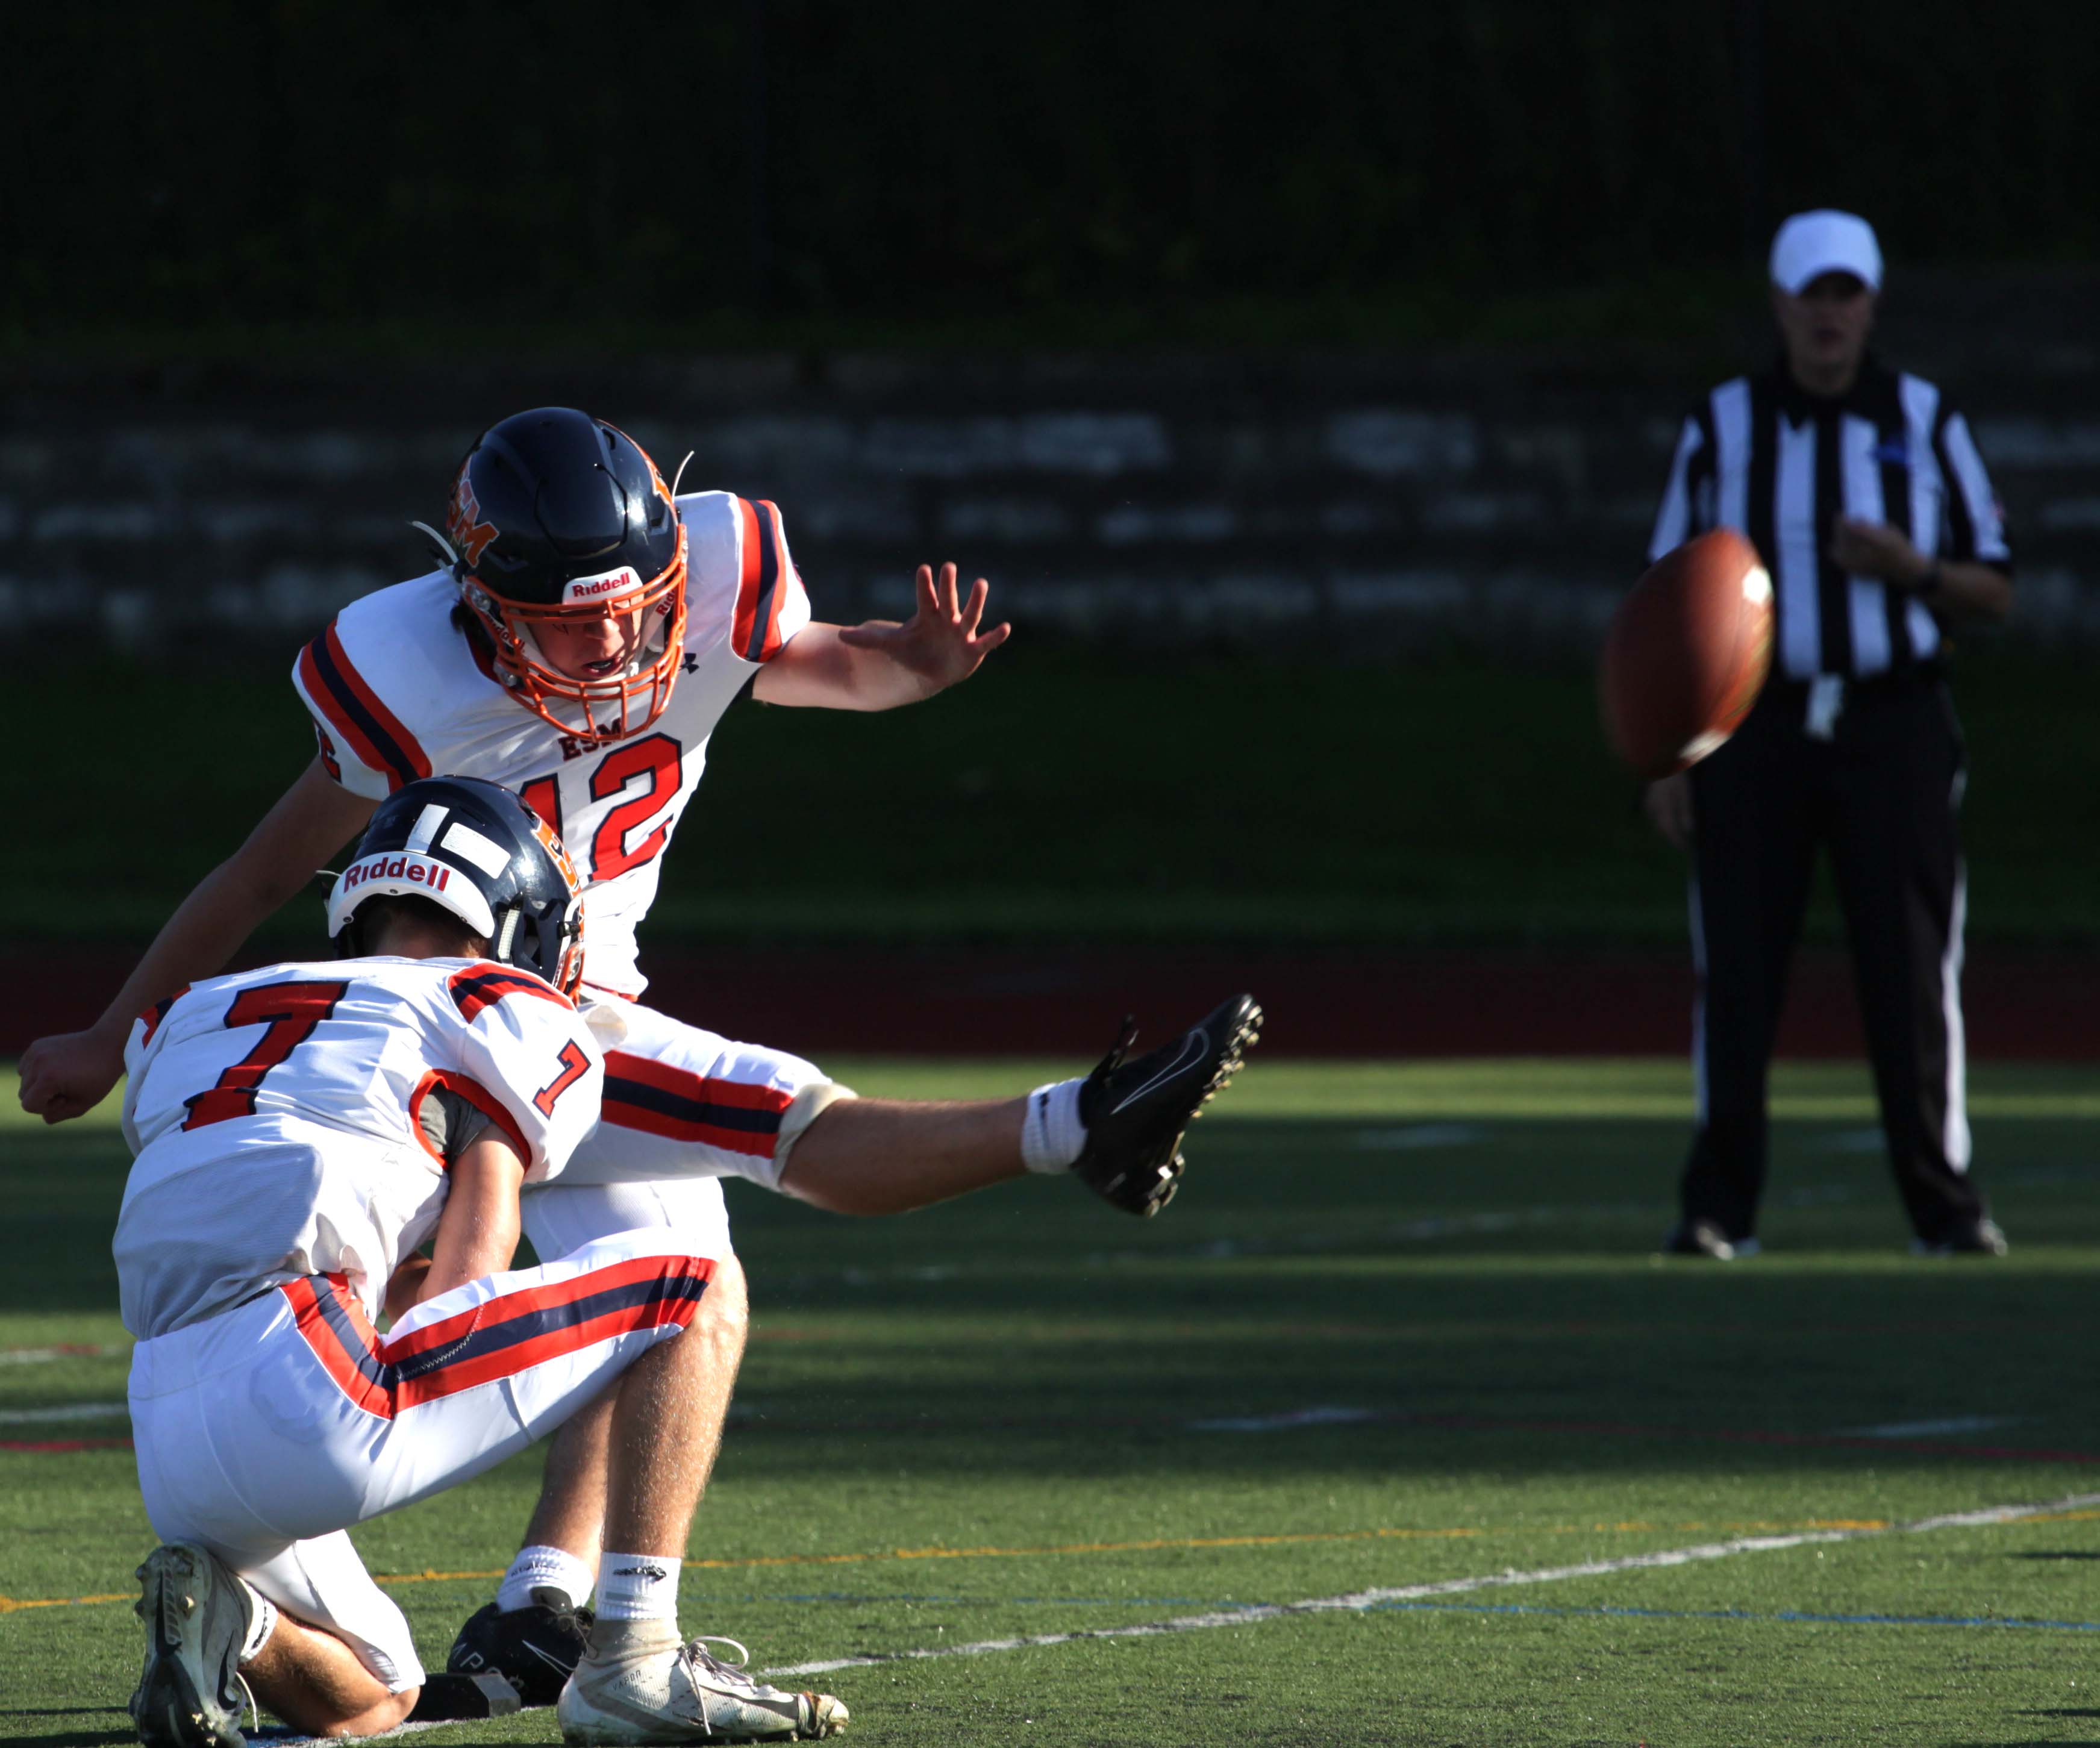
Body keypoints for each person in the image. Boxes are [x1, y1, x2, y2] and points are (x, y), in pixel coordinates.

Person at [23, 407, 1260, 1702]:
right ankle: (1077, 1128)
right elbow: (260, 870)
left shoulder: (715, 589)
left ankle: (536, 1606)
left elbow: (824, 664)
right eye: (571, 624)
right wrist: (108, 1032)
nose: (615, 644)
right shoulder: (410, 680)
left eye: (636, 609)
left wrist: (913, 663)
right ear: (484, 608)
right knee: (730, 1204)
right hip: (517, 1011)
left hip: (236, 1338)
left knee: (654, 1279)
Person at [120, 775, 848, 1744]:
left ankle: (236, 1619)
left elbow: (228, 1208)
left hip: (166, 1432)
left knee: (378, 1693)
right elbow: (470, 1275)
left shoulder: (196, 1011)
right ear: (519, 924)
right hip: (311, 1394)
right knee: (696, 1280)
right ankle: (634, 1656)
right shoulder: (491, 1004)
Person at [1645, 210, 2013, 1260]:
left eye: (1845, 294)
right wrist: (1667, 753)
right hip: (1751, 727)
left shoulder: (1923, 419)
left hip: (1890, 721)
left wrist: (1910, 569)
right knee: (1738, 970)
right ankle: (1718, 1207)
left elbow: (1996, 588)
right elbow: (1665, 596)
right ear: (1778, 304)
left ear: (1871, 304)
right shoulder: (1721, 426)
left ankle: (1943, 1207)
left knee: (1909, 972)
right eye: (1811, 294)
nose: (1828, 315)